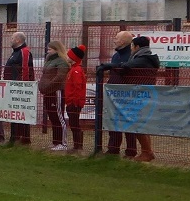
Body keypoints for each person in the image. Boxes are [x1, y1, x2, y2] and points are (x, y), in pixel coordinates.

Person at [95, 30, 137, 158]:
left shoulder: (130, 55)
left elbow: (125, 69)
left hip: (126, 93)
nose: (114, 40)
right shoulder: (116, 55)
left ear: (123, 41)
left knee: (128, 122)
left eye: (116, 38)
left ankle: (131, 150)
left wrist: (111, 67)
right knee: (113, 121)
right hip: (113, 93)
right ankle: (113, 148)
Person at [124, 35, 160, 163]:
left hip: (141, 94)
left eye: (132, 46)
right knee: (140, 123)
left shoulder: (142, 59)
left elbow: (127, 66)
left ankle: (147, 152)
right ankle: (147, 151)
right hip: (143, 93)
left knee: (138, 123)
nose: (131, 49)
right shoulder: (147, 58)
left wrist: (110, 66)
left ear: (137, 47)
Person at [3, 31, 34, 144]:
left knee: (22, 112)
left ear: (18, 40)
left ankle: (24, 138)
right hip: (12, 87)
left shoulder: (24, 52)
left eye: (12, 38)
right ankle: (14, 136)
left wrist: (23, 86)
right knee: (14, 112)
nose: (10, 40)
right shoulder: (15, 53)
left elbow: (26, 69)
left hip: (20, 89)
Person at [39, 40, 70, 151]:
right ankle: (56, 142)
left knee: (58, 116)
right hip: (48, 92)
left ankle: (63, 143)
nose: (48, 51)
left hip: (56, 91)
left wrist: (49, 86)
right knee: (52, 117)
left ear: (56, 49)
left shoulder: (62, 62)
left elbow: (60, 77)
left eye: (50, 49)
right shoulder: (49, 61)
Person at [64, 45, 87, 153]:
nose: (67, 57)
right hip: (71, 101)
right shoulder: (73, 69)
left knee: (74, 124)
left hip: (74, 102)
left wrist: (75, 101)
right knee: (73, 124)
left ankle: (78, 146)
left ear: (74, 58)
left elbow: (78, 88)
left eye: (69, 56)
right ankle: (77, 145)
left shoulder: (76, 70)